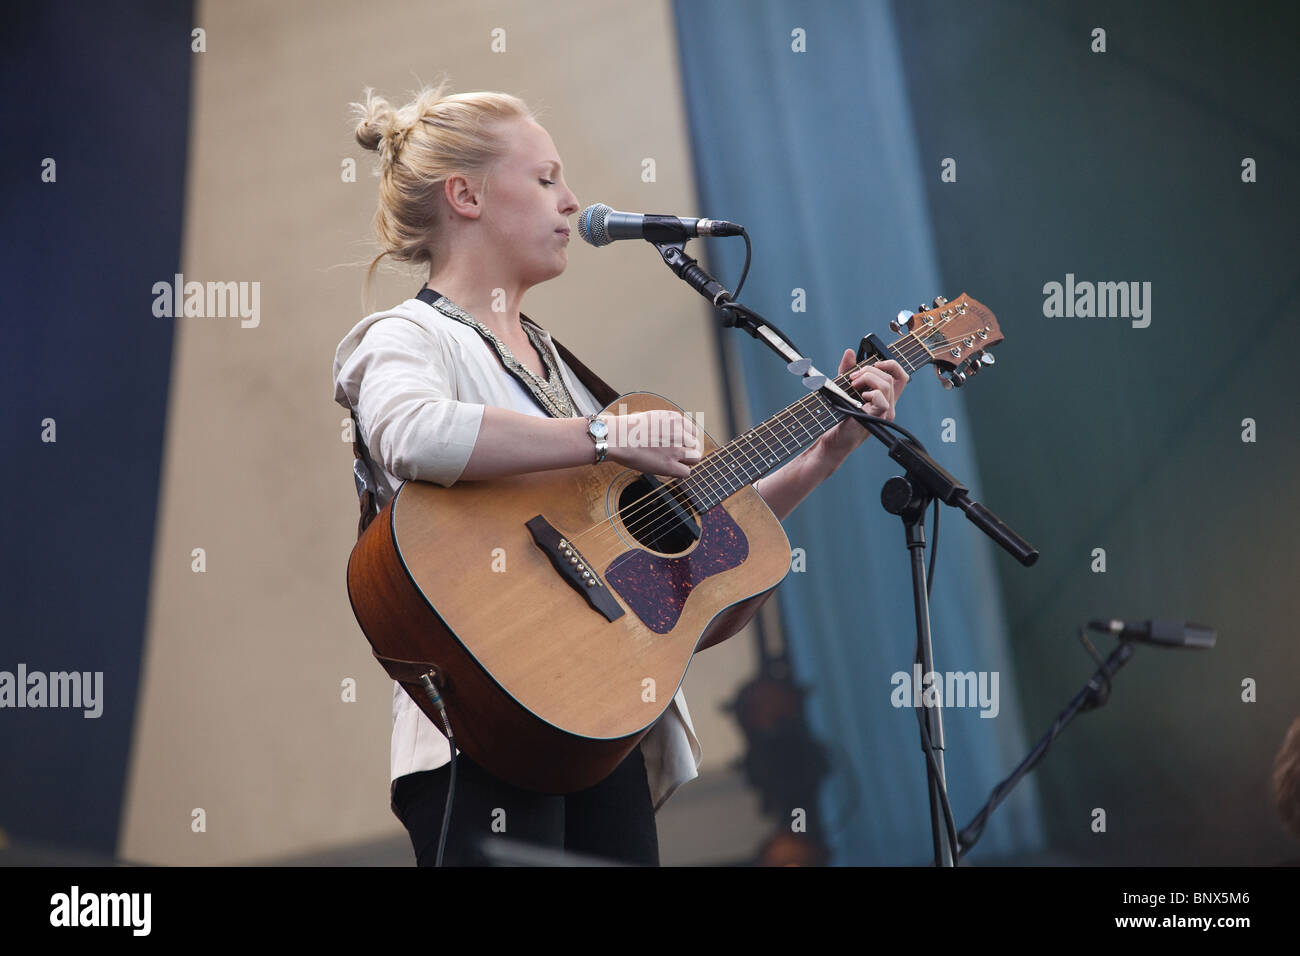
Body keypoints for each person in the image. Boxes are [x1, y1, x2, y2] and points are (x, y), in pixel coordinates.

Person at [331, 81, 910, 866]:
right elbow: (414, 434)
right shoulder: (406, 336)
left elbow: (698, 553)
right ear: (464, 195)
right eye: (545, 179)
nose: (572, 202)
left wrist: (822, 455)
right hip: (478, 724)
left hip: (599, 728)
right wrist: (605, 433)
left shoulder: (561, 373)